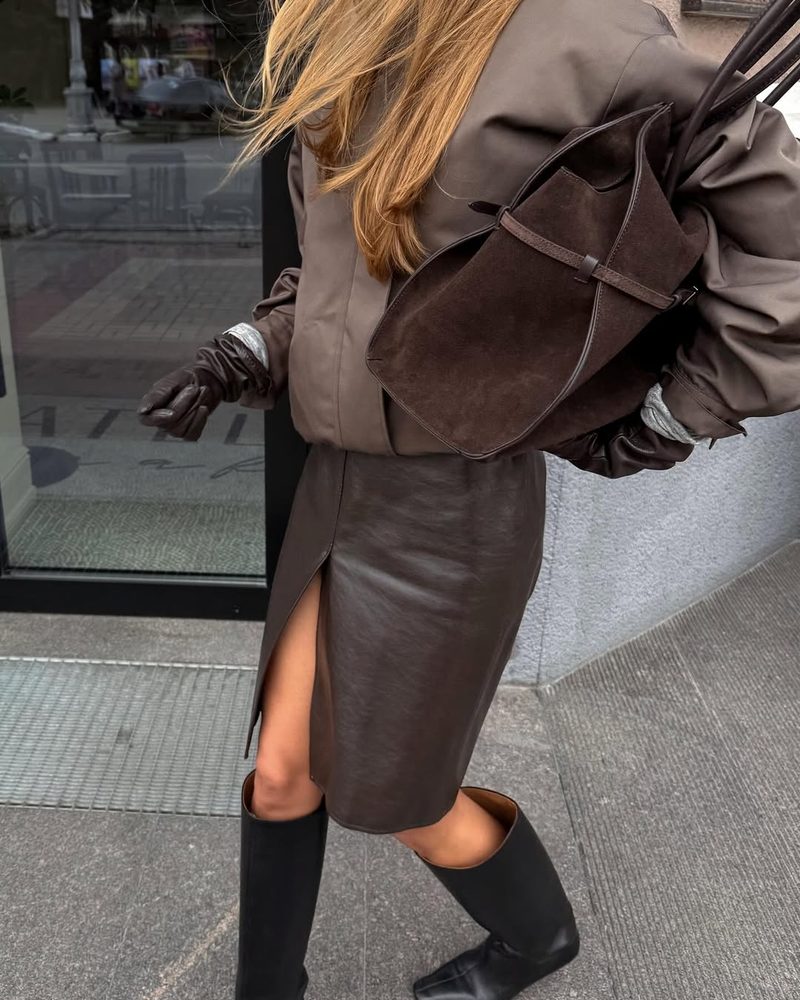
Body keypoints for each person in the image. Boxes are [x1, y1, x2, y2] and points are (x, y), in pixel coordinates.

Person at [137, 1, 800, 997]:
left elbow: (780, 262)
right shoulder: (345, 36)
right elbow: (336, 275)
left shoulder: (595, 40)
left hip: (456, 514)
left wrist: (666, 415)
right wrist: (245, 350)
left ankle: (537, 939)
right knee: (280, 773)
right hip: (335, 487)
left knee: (400, 796)